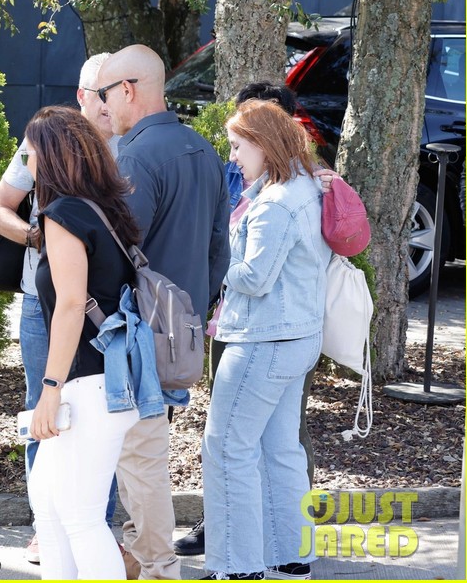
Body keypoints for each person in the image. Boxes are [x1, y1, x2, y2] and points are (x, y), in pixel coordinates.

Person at [95, 45, 230, 580]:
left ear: (129, 89)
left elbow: (115, 252)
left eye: (106, 95)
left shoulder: (135, 156)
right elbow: (220, 249)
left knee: (139, 459)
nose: (104, 108)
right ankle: (139, 555)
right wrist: (192, 307)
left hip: (138, 331)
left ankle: (155, 564)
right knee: (145, 451)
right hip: (182, 332)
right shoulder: (203, 149)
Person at [0, 52, 117, 565]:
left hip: (86, 316)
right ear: (83, 96)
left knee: (67, 418)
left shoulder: (128, 148)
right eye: (95, 96)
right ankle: (50, 527)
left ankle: (90, 526)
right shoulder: (44, 143)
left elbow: (73, 303)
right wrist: (38, 235)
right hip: (46, 305)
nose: (104, 108)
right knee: (44, 418)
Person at [201, 100, 328, 581]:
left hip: (263, 339)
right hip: (295, 337)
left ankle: (235, 567)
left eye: (237, 146)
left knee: (226, 446)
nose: (232, 156)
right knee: (281, 447)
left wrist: (211, 260)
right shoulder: (304, 186)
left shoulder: (275, 201)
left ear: (262, 143)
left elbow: (253, 278)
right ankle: (290, 556)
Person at [22, 105, 141, 579]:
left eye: (28, 153)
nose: (25, 163)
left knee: (79, 518)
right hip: (101, 384)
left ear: (50, 157)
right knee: (50, 510)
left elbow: (72, 305)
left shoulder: (64, 213)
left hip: (86, 386)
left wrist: (49, 389)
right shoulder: (102, 209)